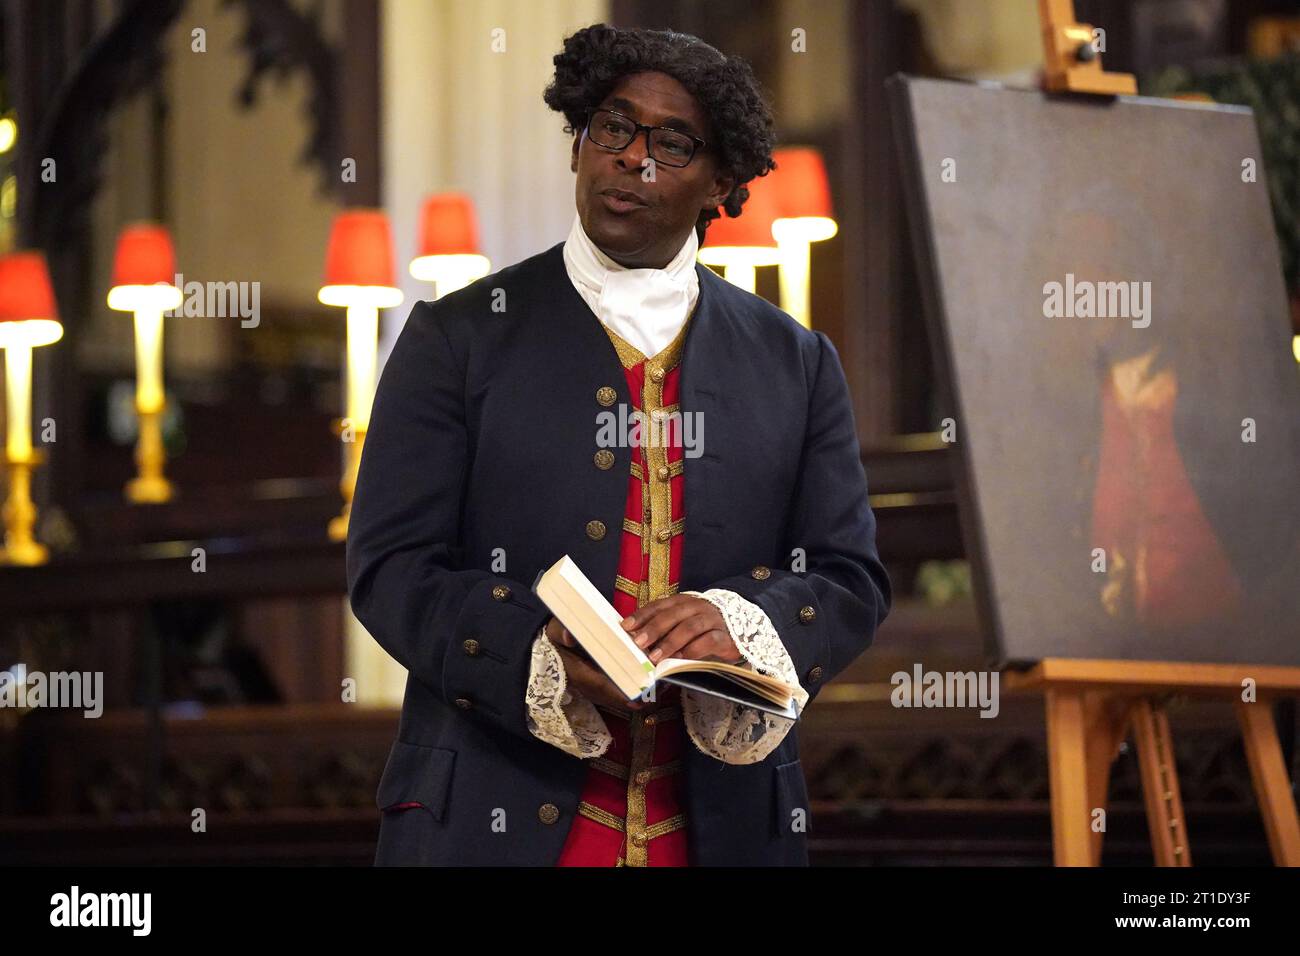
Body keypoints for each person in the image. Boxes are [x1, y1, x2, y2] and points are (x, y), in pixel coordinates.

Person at [346, 22, 890, 866]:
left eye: (673, 144)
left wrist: (740, 623)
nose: (632, 160)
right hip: (490, 812)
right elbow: (389, 567)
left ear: (723, 182)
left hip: (722, 828)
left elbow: (848, 579)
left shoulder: (797, 362)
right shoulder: (457, 338)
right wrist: (536, 649)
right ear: (579, 143)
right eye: (612, 127)